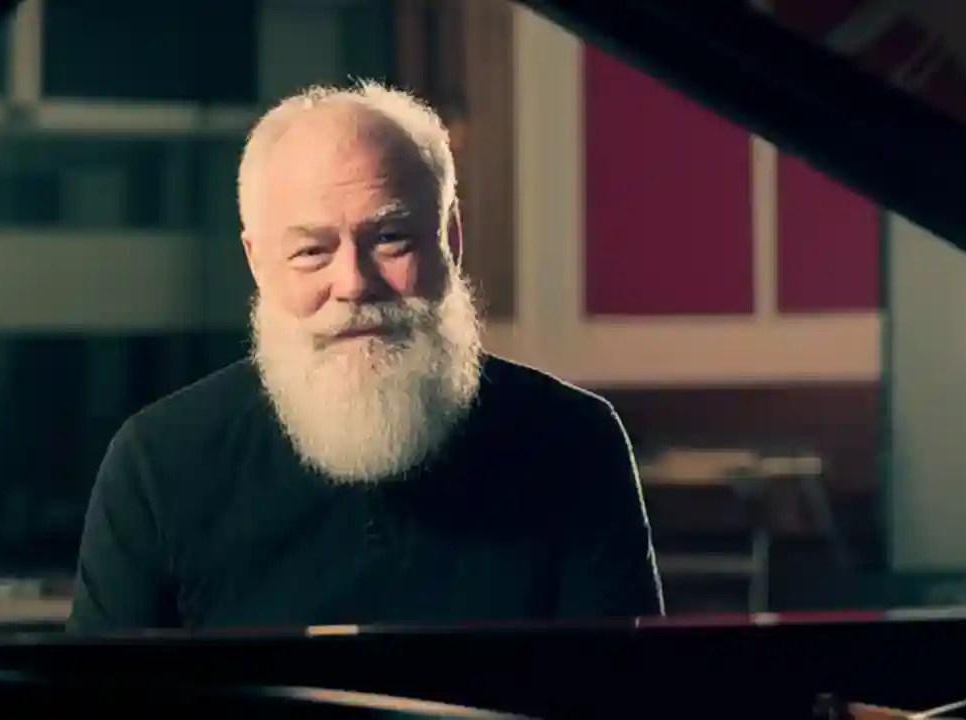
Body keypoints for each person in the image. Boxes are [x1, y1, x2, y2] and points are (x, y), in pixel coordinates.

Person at [67, 81, 664, 633]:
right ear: (257, 261)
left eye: (390, 238)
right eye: (311, 251)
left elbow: (619, 705)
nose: (354, 282)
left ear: (450, 239)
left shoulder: (574, 443)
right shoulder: (156, 463)